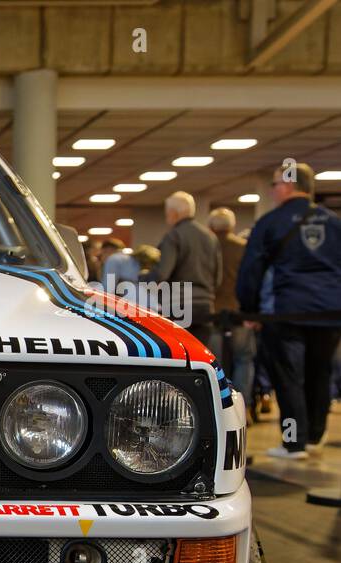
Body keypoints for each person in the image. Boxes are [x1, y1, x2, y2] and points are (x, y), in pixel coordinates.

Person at [236, 162, 341, 459]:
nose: (272, 191)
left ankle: (294, 442)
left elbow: (251, 269)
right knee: (320, 372)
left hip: (288, 311)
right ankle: (314, 437)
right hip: (329, 314)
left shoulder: (272, 222)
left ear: (288, 185)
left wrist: (250, 309)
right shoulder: (334, 223)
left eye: (274, 185)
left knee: (288, 376)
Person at [143, 191, 222, 360]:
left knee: (179, 359)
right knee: (200, 358)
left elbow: (162, 274)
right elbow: (217, 277)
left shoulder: (174, 235)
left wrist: (143, 278)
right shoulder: (210, 236)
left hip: (178, 307)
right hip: (205, 307)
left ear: (173, 213)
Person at [208, 207, 257, 402]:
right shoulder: (244, 248)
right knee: (243, 358)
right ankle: (242, 404)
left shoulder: (207, 246)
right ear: (232, 225)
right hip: (239, 311)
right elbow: (252, 281)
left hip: (211, 313)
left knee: (215, 362)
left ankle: (221, 403)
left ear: (211, 226)